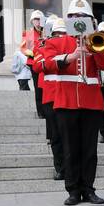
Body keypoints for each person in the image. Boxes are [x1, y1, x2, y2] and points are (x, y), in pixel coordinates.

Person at [41, 0, 104, 206]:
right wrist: (70, 57)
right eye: (74, 16)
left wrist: (95, 49)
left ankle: (88, 189)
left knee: (90, 151)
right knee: (71, 149)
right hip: (66, 103)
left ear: (90, 20)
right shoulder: (56, 42)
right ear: (68, 19)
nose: (78, 19)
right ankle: (73, 190)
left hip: (91, 103)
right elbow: (44, 65)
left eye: (83, 17)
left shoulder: (95, 41)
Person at [31, 18, 66, 181]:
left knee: (69, 135)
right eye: (58, 33)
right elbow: (37, 65)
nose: (61, 36)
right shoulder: (44, 46)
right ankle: (59, 168)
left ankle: (71, 166)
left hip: (67, 96)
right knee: (55, 136)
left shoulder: (70, 45)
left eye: (63, 33)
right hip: (51, 96)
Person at [21, 10, 47, 118]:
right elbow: (23, 49)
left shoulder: (47, 32)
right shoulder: (28, 33)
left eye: (39, 19)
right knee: (38, 87)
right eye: (36, 19)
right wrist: (34, 56)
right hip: (34, 63)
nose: (38, 22)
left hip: (46, 62)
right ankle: (40, 112)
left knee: (47, 87)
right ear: (32, 21)